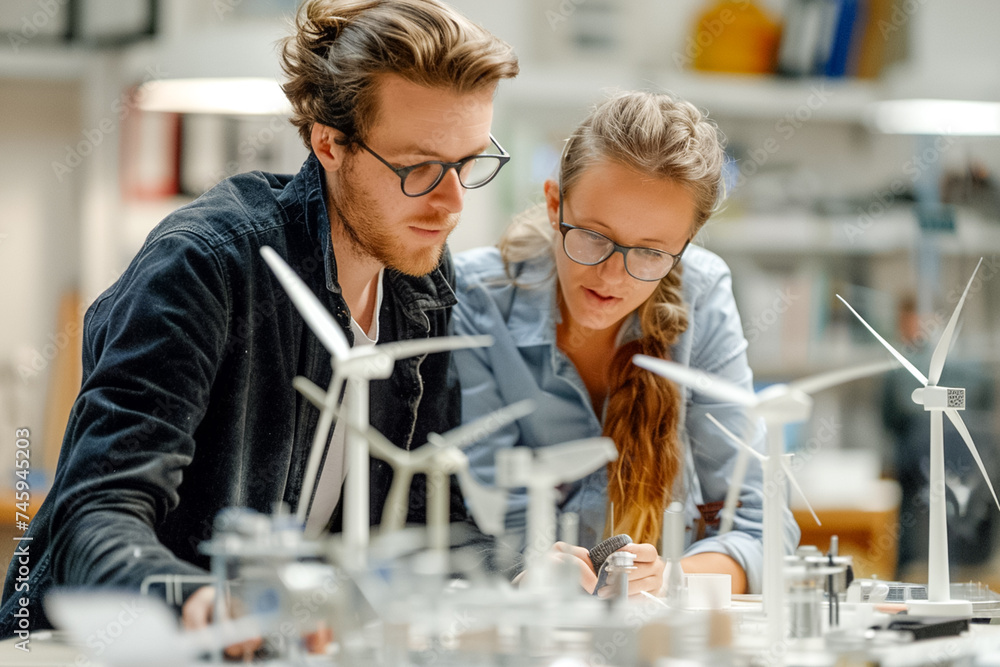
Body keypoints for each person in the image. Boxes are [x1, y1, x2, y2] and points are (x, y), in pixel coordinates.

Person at [0, 0, 518, 642]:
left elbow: (430, 519)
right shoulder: (204, 265)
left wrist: (529, 571)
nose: (452, 203)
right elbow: (98, 510)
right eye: (419, 168)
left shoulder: (424, 282)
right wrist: (197, 601)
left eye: (469, 163)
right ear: (330, 143)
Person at [452, 91, 800, 596]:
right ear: (555, 204)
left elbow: (763, 529)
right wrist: (529, 572)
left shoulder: (701, 292)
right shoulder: (474, 296)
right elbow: (480, 522)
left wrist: (671, 578)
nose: (613, 275)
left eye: (652, 252)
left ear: (684, 247)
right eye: (593, 236)